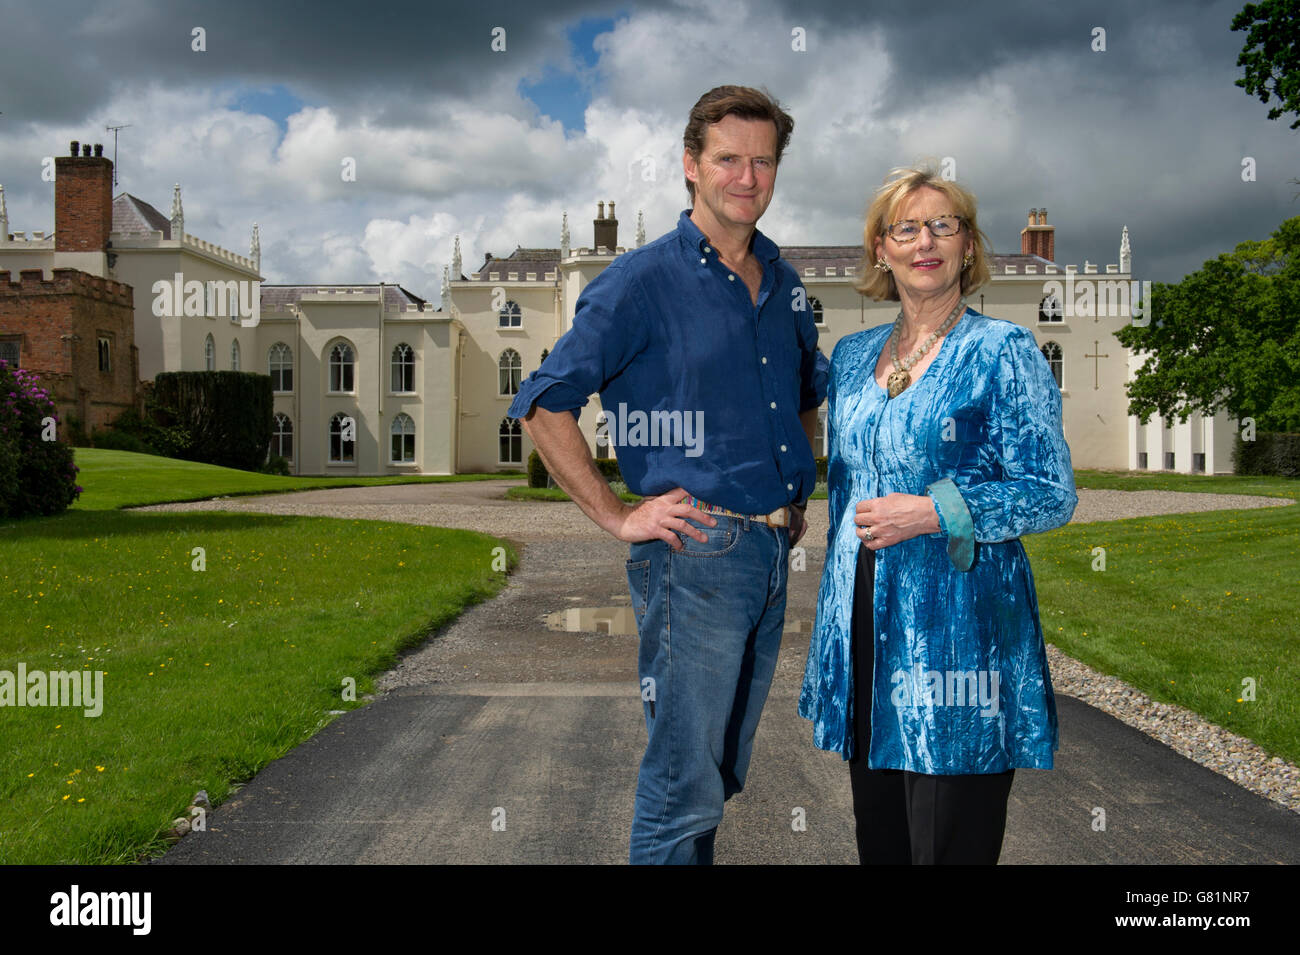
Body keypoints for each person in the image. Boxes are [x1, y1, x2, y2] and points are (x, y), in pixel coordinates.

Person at [510, 85, 827, 865]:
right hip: (695, 554)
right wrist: (620, 516)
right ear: (691, 166)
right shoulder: (639, 282)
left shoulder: (783, 282)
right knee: (682, 784)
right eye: (728, 159)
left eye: (763, 161)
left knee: (716, 774)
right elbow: (545, 403)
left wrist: (796, 482)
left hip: (769, 554)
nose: (746, 176)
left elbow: (806, 390)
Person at [798, 165, 1077, 864]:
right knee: (883, 843)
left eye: (943, 226)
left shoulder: (1003, 352)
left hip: (959, 633)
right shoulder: (855, 356)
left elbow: (1050, 491)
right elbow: (841, 486)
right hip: (864, 622)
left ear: (968, 247)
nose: (926, 241)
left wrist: (935, 510)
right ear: (880, 250)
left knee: (948, 843)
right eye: (907, 228)